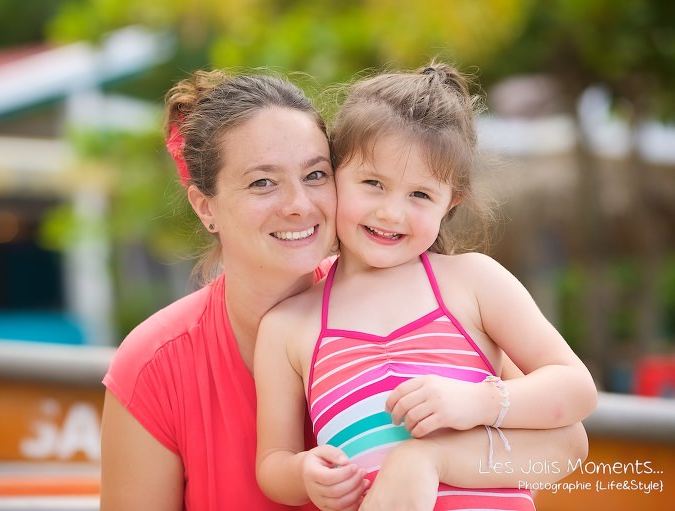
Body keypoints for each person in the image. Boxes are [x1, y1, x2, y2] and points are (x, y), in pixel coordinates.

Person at [101, 68, 590, 511]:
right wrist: (301, 473)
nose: (298, 204)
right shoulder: (170, 362)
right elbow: (275, 466)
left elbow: (565, 443)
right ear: (205, 207)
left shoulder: (454, 295)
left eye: (314, 175)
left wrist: (428, 460)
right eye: (262, 183)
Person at [254, 62, 598, 511]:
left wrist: (477, 403)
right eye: (373, 184)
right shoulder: (287, 325)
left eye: (419, 195)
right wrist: (302, 474)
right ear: (334, 174)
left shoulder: (472, 282)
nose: (391, 213)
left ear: (449, 201)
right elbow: (272, 462)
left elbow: (575, 390)